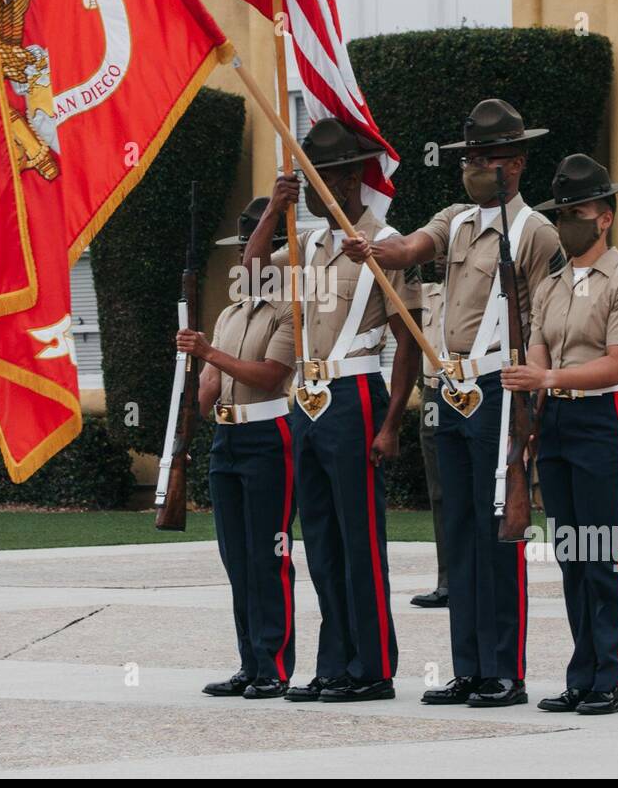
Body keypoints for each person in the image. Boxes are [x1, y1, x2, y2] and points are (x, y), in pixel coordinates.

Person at [342, 98, 563, 707]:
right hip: (452, 389)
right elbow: (413, 247)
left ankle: (504, 672)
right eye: (468, 157)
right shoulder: (458, 219)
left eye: (483, 157)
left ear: (514, 163)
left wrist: (533, 406)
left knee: (499, 531)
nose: (471, 167)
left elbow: (546, 319)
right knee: (459, 534)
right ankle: (468, 666)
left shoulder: (535, 233)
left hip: (499, 387)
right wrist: (375, 250)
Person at [244, 118, 421, 703]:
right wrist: (273, 210)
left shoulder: (385, 241)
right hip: (307, 400)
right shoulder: (307, 243)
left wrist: (393, 422)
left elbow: (409, 344)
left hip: (355, 397)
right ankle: (332, 663)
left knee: (359, 539)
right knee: (318, 540)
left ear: (350, 179)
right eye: (309, 180)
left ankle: (370, 667)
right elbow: (249, 280)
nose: (316, 190)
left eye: (324, 179)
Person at [502, 153, 618, 716]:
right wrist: (532, 387)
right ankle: (581, 672)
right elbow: (539, 339)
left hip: (602, 419)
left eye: (577, 211)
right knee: (570, 551)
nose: (566, 220)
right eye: (560, 211)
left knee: (606, 551)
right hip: (557, 421)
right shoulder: (553, 285)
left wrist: (548, 376)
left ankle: (611, 676)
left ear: (604, 217)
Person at [177, 199, 296, 701]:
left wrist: (209, 353)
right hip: (227, 439)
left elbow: (270, 377)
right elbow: (209, 389)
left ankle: (275, 666)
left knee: (268, 555)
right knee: (236, 558)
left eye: (254, 250)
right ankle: (250, 662)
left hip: (270, 437)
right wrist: (191, 378)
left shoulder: (292, 309)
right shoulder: (228, 314)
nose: (244, 261)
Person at [411, 271, 448, 608]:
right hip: (434, 394)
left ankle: (487, 577)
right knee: (439, 492)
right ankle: (447, 580)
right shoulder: (424, 294)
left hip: (476, 391)